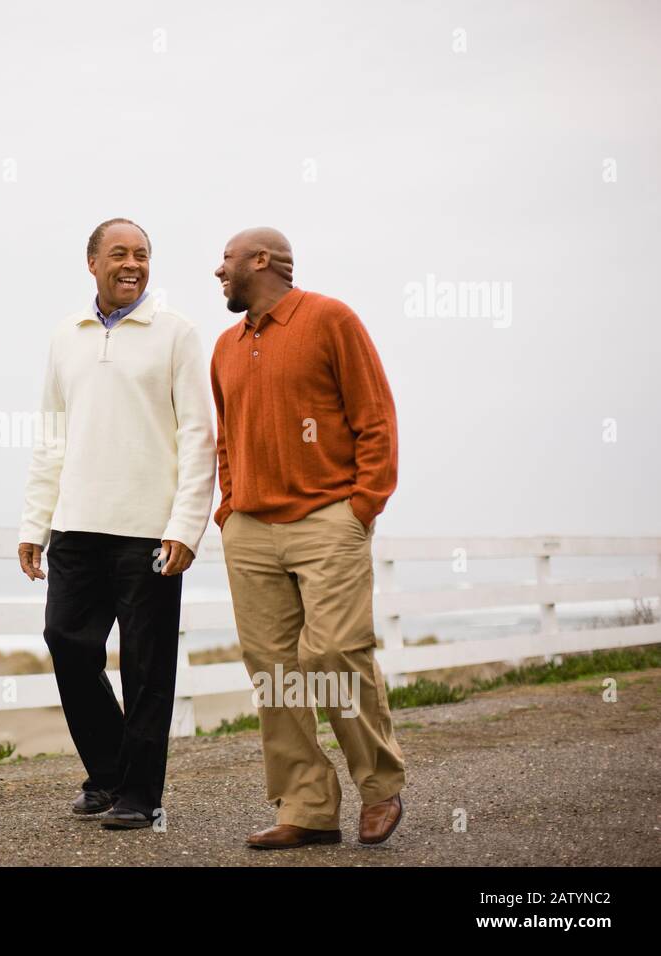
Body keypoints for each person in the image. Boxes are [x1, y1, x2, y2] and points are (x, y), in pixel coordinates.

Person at [209, 227, 406, 848]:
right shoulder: (225, 346)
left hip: (328, 519)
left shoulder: (329, 319)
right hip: (252, 529)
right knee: (274, 670)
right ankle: (309, 808)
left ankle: (380, 786)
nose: (219, 273)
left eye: (227, 261)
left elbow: (375, 418)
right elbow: (226, 434)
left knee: (332, 655)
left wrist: (362, 506)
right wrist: (230, 505)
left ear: (260, 261)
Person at [17, 218, 216, 830]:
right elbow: (51, 439)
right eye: (120, 254)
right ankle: (107, 773)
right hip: (76, 526)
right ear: (92, 262)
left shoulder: (177, 333)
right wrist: (36, 522)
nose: (133, 264)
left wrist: (185, 526)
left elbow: (199, 434)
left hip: (149, 531)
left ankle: (139, 793)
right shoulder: (65, 337)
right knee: (68, 644)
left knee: (147, 665)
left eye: (143, 255)